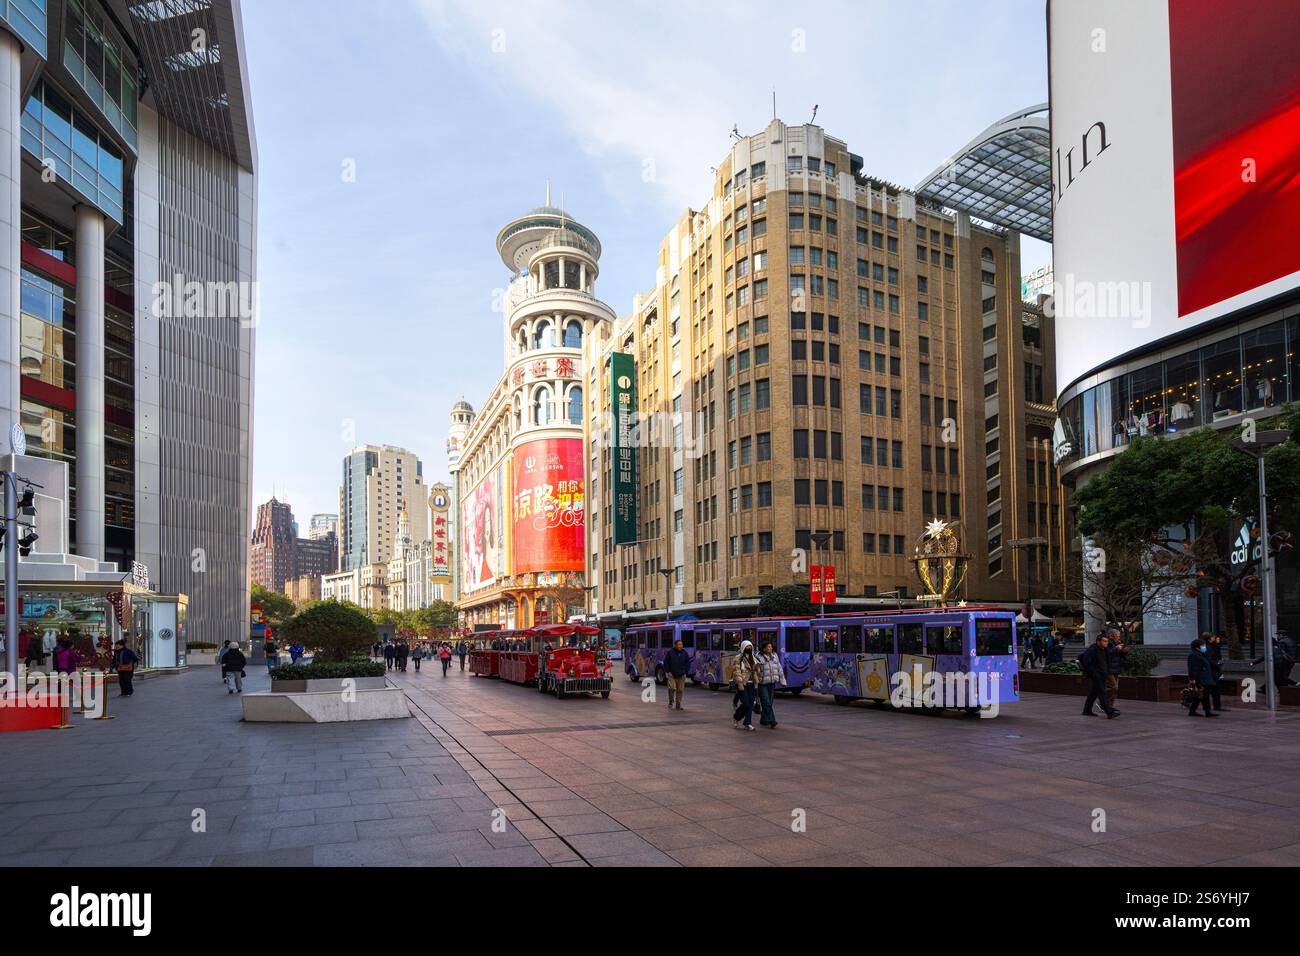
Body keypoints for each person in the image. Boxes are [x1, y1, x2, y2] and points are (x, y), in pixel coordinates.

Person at [1079, 633, 1119, 718]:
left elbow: (1107, 660)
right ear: (1098, 641)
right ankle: (1109, 712)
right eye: (1104, 641)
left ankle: (1087, 710)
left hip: (1103, 674)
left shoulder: (1105, 649)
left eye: (1107, 641)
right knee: (1102, 693)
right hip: (1097, 675)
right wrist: (1094, 674)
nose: (1106, 643)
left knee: (1093, 694)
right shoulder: (1092, 650)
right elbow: (1087, 663)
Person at [731, 640, 760, 731]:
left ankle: (748, 723)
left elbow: (757, 671)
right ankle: (736, 717)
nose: (749, 648)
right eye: (747, 647)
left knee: (751, 704)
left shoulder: (754, 658)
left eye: (750, 647)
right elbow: (736, 671)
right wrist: (739, 683)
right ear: (743, 647)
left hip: (752, 683)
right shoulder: (738, 658)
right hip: (742, 684)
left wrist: (757, 669)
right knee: (746, 704)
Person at [1186, 637, 1219, 718]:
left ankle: (1192, 710)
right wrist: (1192, 679)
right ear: (1197, 647)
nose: (1204, 647)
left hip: (1205, 678)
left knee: (1200, 695)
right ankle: (1207, 712)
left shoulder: (1202, 654)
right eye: (1202, 645)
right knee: (1204, 695)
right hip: (1200, 678)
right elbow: (1192, 668)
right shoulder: (1193, 655)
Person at [755, 640, 785, 728]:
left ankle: (764, 720)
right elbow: (756, 671)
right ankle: (772, 720)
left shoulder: (775, 656)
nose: (770, 648)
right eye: (768, 647)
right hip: (762, 683)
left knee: (769, 703)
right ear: (764, 649)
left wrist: (782, 680)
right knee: (766, 702)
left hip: (771, 683)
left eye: (771, 647)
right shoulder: (758, 657)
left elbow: (779, 668)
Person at [663, 638, 690, 711]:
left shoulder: (684, 653)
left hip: (682, 675)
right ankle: (671, 701)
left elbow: (688, 663)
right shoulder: (670, 652)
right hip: (672, 674)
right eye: (679, 644)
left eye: (681, 644)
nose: (681, 646)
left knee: (680, 690)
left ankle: (678, 704)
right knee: (672, 688)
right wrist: (668, 671)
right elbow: (666, 662)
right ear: (675, 645)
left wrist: (685, 672)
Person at [1105, 628, 1128, 712]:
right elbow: (1106, 654)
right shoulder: (1107, 642)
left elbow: (1119, 656)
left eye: (1119, 635)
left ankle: (1109, 706)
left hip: (1116, 668)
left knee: (1115, 688)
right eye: (1117, 635)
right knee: (1113, 687)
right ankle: (1103, 703)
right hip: (1109, 669)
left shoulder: (1117, 643)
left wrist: (1124, 651)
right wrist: (1116, 648)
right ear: (1112, 636)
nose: (1119, 637)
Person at [1206, 632, 1224, 712]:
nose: (1216, 639)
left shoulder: (1214, 646)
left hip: (1215, 670)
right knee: (1213, 689)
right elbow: (1209, 659)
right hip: (1212, 671)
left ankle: (1217, 706)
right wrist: (1217, 664)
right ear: (1209, 639)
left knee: (1215, 689)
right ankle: (1216, 706)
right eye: (1213, 638)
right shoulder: (1209, 647)